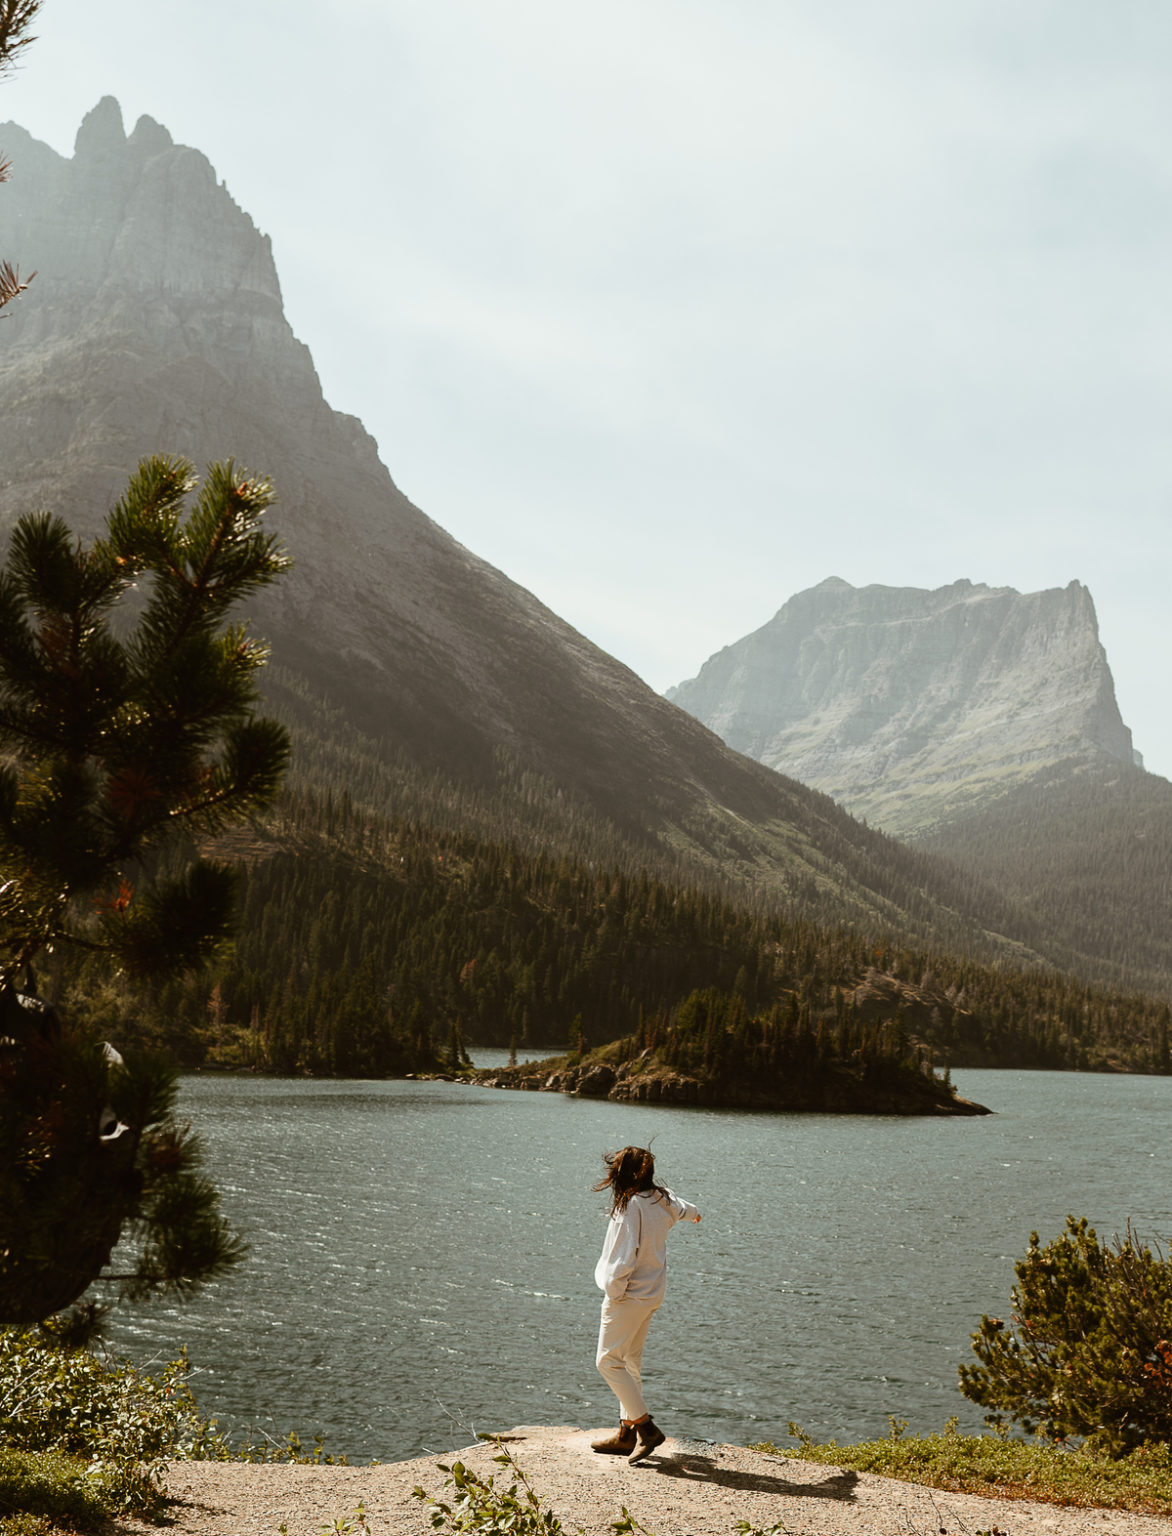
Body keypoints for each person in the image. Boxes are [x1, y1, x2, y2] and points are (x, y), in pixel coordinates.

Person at [590, 1145, 701, 1463]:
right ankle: (626, 1434)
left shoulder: (630, 1206)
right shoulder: (663, 1198)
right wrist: (695, 1215)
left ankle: (646, 1428)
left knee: (607, 1362)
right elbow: (686, 1208)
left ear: (620, 1174)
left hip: (628, 1296)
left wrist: (613, 1291)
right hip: (653, 1294)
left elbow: (620, 1260)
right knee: (630, 1363)